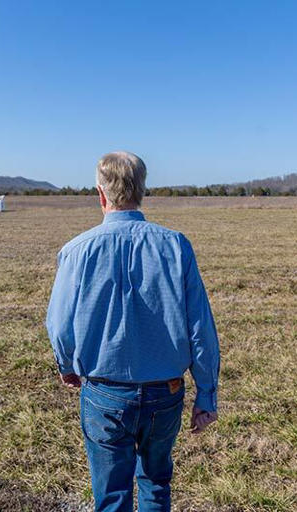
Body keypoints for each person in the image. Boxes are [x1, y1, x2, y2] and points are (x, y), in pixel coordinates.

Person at [46, 151, 220, 512]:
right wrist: (206, 393)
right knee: (156, 484)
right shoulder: (176, 245)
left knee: (112, 495)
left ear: (101, 194)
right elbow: (200, 327)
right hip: (166, 391)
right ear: (142, 190)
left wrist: (66, 365)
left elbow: (59, 324)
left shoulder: (76, 251)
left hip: (104, 392)